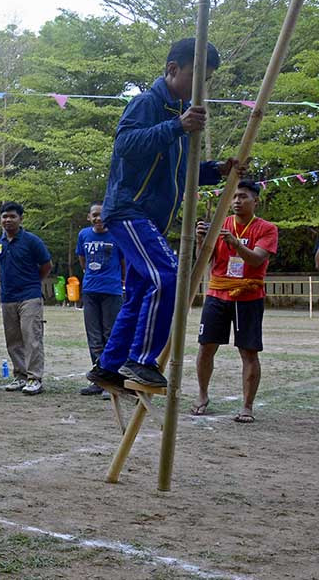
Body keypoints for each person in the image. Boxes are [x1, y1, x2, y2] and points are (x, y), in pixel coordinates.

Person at [87, 38, 241, 392]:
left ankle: (108, 366)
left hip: (151, 219)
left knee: (141, 293)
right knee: (168, 276)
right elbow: (126, 146)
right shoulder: (147, 104)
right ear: (173, 70)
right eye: (196, 76)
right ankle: (141, 362)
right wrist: (177, 127)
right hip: (129, 210)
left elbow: (180, 169)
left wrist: (216, 169)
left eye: (207, 79)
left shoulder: (180, 116)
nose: (201, 87)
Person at [192, 181, 277, 423]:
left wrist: (236, 244)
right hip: (217, 294)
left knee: (249, 351)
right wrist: (200, 241)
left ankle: (247, 406)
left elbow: (257, 260)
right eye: (234, 197)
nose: (237, 201)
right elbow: (204, 262)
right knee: (206, 346)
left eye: (243, 196)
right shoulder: (221, 224)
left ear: (255, 201)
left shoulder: (267, 228)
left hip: (248, 297)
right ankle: (202, 394)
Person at [0, 203, 53, 395]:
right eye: (4, 217)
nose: (8, 220)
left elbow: (46, 265)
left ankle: (35, 378)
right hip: (7, 297)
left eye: (12, 216)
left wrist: (34, 283)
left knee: (32, 337)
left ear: (20, 219)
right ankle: (20, 376)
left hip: (30, 296)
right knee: (13, 340)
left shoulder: (32, 241)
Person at [75, 203, 125, 397]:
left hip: (112, 291)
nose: (98, 218)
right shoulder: (84, 235)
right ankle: (98, 379)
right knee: (94, 337)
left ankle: (112, 379)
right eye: (94, 215)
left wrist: (120, 281)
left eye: (102, 215)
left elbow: (123, 263)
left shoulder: (117, 234)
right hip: (90, 291)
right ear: (89, 217)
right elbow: (82, 259)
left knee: (110, 335)